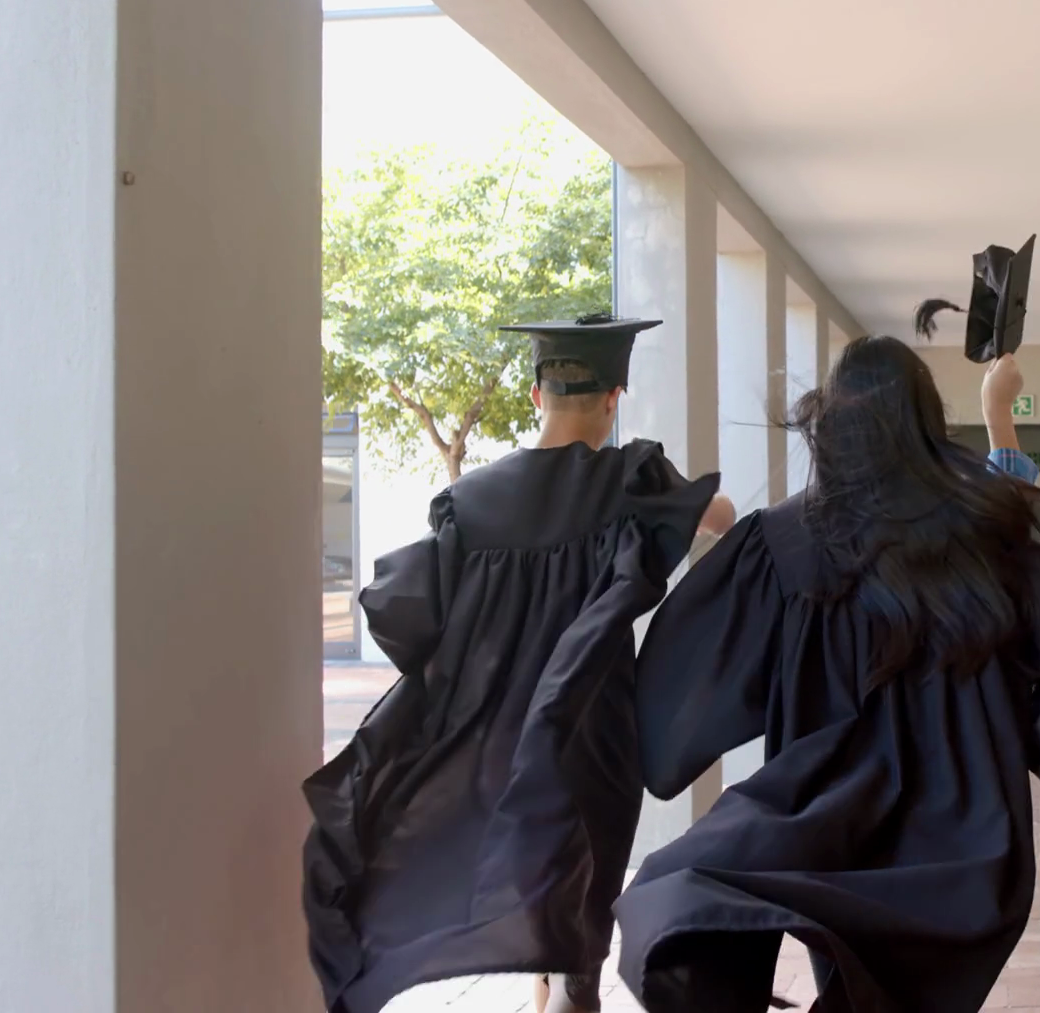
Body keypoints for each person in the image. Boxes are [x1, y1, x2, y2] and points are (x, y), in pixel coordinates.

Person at [612, 334, 1040, 1013]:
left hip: (830, 824)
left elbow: (695, 671)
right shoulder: (984, 532)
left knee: (824, 967)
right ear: (926, 422)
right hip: (966, 831)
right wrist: (998, 419)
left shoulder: (783, 541)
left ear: (833, 421)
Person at [301, 314, 735, 1013]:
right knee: (578, 939)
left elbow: (409, 618)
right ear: (614, 398)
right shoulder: (629, 480)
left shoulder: (468, 501)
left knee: (544, 912)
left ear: (536, 395)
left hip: (498, 740)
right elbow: (720, 515)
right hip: (595, 739)